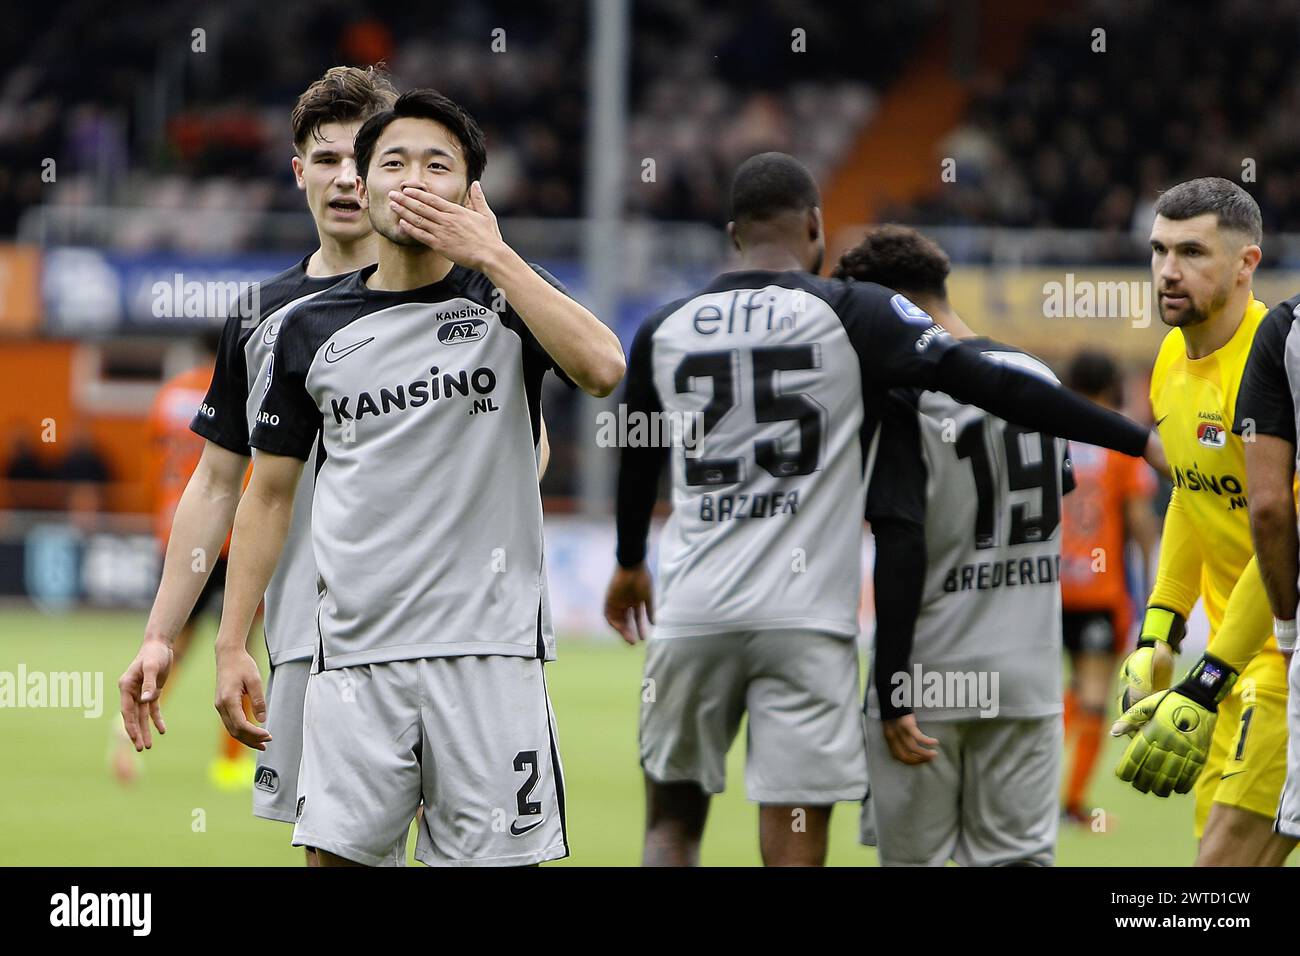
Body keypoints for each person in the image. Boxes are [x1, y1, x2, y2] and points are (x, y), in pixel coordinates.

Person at [605, 157, 1163, 867]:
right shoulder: (851, 315)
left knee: (672, 827)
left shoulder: (662, 325)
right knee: (801, 832)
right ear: (815, 223)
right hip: (812, 620)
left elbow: (634, 457)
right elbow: (982, 379)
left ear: (731, 233)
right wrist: (1138, 438)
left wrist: (629, 563)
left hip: (693, 608)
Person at [211, 88, 624, 867]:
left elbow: (603, 367)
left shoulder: (505, 298)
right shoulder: (305, 329)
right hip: (353, 658)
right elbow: (265, 495)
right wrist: (233, 642)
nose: (414, 179)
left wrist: (495, 254)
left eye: (440, 166)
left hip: (490, 655)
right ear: (361, 188)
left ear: (471, 194)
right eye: (393, 162)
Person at [116, 64, 400, 865]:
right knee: (334, 855)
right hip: (317, 634)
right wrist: (163, 635)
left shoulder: (456, 299)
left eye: (363, 158)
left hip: (456, 630)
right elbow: (216, 482)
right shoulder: (260, 315)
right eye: (326, 158)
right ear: (297, 171)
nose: (345, 179)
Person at [842, 224, 1074, 865]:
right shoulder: (1038, 375)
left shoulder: (906, 393)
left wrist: (891, 684)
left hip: (931, 676)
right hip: (1027, 674)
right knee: (1018, 859)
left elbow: (901, 542)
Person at [1111, 177, 1294, 867]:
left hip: (1284, 663)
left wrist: (1207, 679)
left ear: (1247, 263)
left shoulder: (1278, 360)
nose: (1167, 271)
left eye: (1191, 252)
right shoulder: (1169, 360)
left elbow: (1285, 529)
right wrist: (1158, 628)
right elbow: (1192, 494)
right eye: (1158, 251)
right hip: (1224, 675)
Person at [1058, 350, 1157, 823]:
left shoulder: (1048, 430)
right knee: (1095, 693)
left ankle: (1031, 790)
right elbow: (1140, 522)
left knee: (1057, 690)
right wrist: (1156, 585)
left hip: (1048, 585)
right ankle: (1072, 803)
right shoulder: (1119, 440)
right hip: (1099, 590)